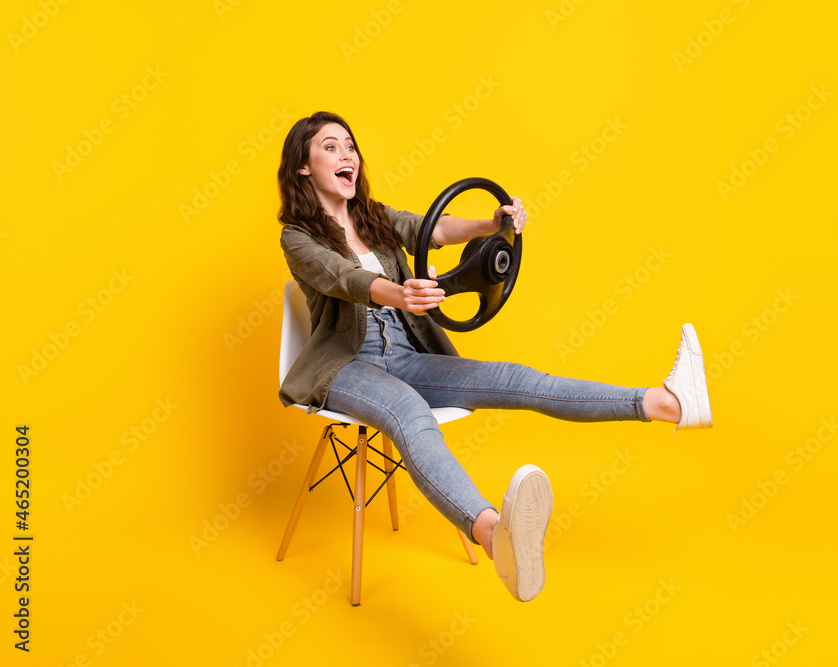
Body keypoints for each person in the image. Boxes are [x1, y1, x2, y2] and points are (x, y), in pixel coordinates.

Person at [276, 111, 713, 602]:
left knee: (514, 378)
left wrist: (492, 223)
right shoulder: (297, 236)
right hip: (347, 366)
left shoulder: (372, 217)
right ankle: (493, 535)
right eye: (331, 147)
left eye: (350, 146)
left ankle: (666, 403)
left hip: (406, 355)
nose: (347, 156)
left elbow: (431, 230)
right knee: (409, 412)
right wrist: (398, 294)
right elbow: (341, 277)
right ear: (303, 167)